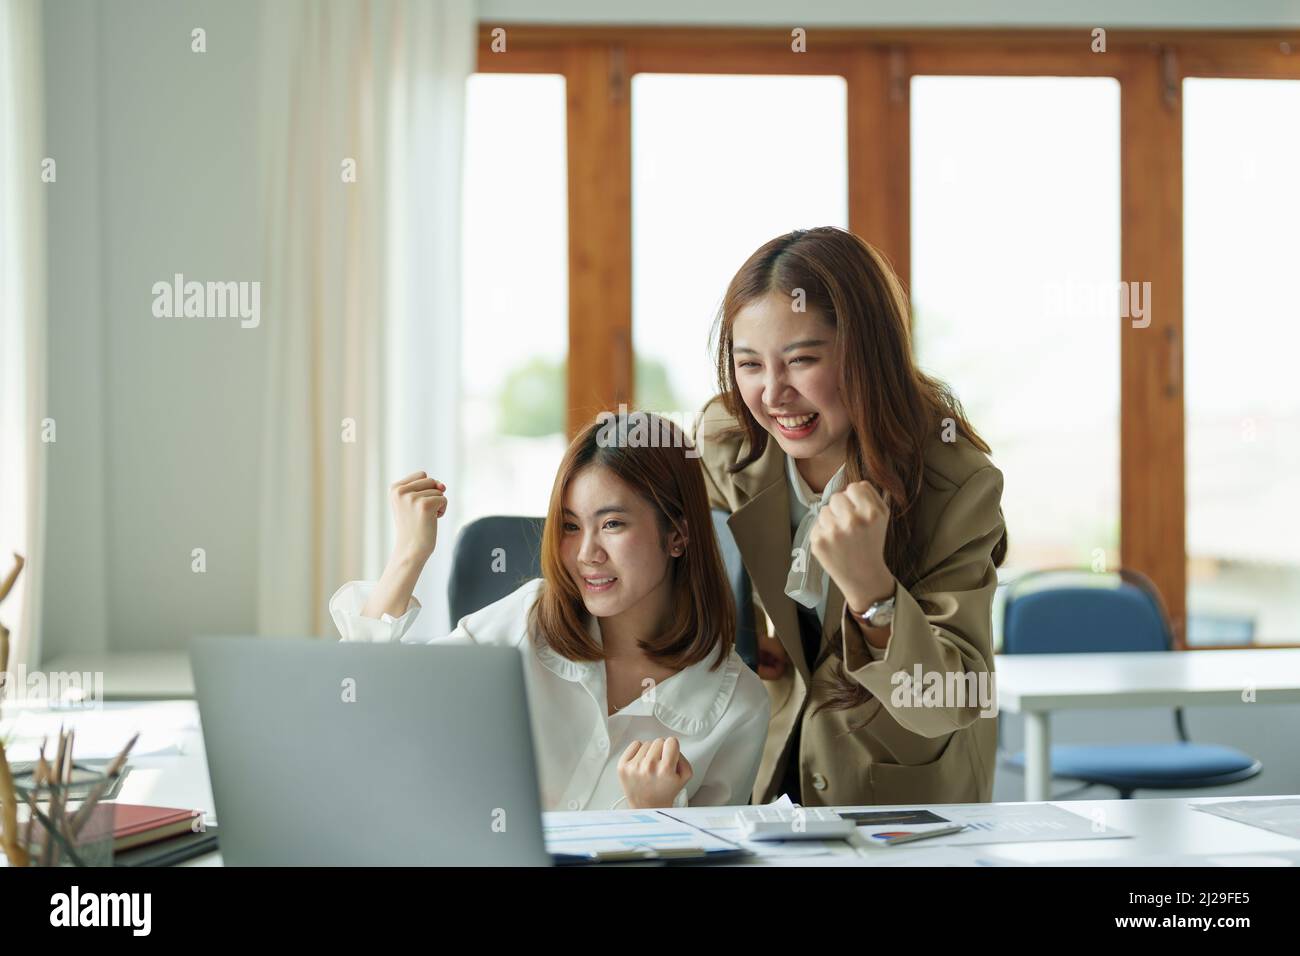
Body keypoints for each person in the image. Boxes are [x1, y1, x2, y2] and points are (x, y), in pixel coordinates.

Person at [696, 226, 1007, 807]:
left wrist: (873, 593)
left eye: (801, 360)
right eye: (749, 365)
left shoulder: (957, 483)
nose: (772, 394)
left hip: (897, 797)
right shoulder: (727, 445)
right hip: (768, 788)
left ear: (868, 354)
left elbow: (954, 695)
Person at [331, 412, 770, 810]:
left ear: (677, 534)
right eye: (571, 526)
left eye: (612, 524)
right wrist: (409, 554)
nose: (586, 554)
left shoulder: (738, 707)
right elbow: (364, 705)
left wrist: (655, 817)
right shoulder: (526, 621)